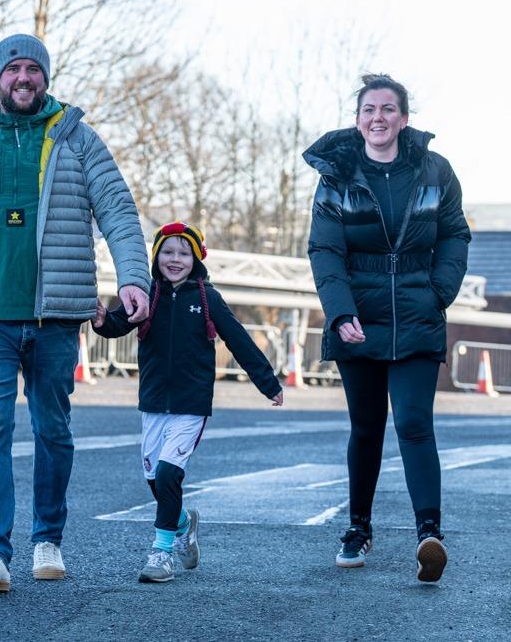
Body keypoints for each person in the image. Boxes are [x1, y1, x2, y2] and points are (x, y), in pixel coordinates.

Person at [0, 34, 151, 593]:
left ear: (46, 78)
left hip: (55, 319)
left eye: (34, 70)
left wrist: (133, 277)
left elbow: (117, 207)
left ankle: (48, 538)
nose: (24, 78)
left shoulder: (75, 137)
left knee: (53, 430)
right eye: (13, 69)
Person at [304, 74, 470, 583]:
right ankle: (358, 527)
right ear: (358, 120)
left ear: (403, 117)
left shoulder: (434, 170)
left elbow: (455, 234)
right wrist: (341, 311)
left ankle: (429, 535)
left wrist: (439, 291)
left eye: (388, 109)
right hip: (360, 317)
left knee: (415, 423)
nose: (378, 117)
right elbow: (325, 250)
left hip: (418, 314)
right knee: (367, 427)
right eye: (369, 110)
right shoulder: (337, 176)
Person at [92, 222, 283, 582]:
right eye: (168, 251)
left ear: (196, 258)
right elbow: (120, 322)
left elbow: (238, 339)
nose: (175, 259)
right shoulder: (147, 293)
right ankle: (183, 523)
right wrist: (102, 321)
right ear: (156, 256)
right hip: (152, 403)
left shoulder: (207, 298)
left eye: (183, 252)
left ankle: (161, 553)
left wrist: (268, 383)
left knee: (168, 475)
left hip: (191, 404)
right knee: (155, 481)